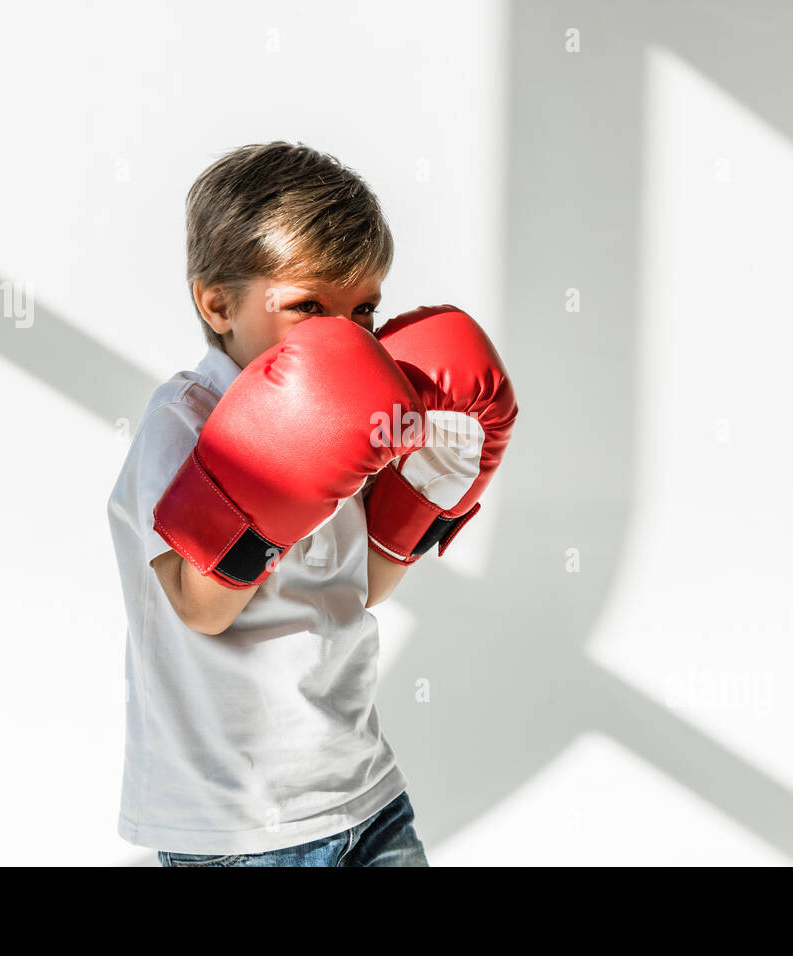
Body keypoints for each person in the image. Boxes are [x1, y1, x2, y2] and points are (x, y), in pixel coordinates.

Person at [107, 141, 516, 866]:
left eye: (362, 310)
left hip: (365, 789)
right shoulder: (183, 419)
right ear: (218, 303)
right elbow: (200, 606)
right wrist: (279, 468)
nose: (343, 335)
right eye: (308, 307)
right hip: (238, 830)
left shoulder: (353, 412)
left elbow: (362, 588)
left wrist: (434, 483)